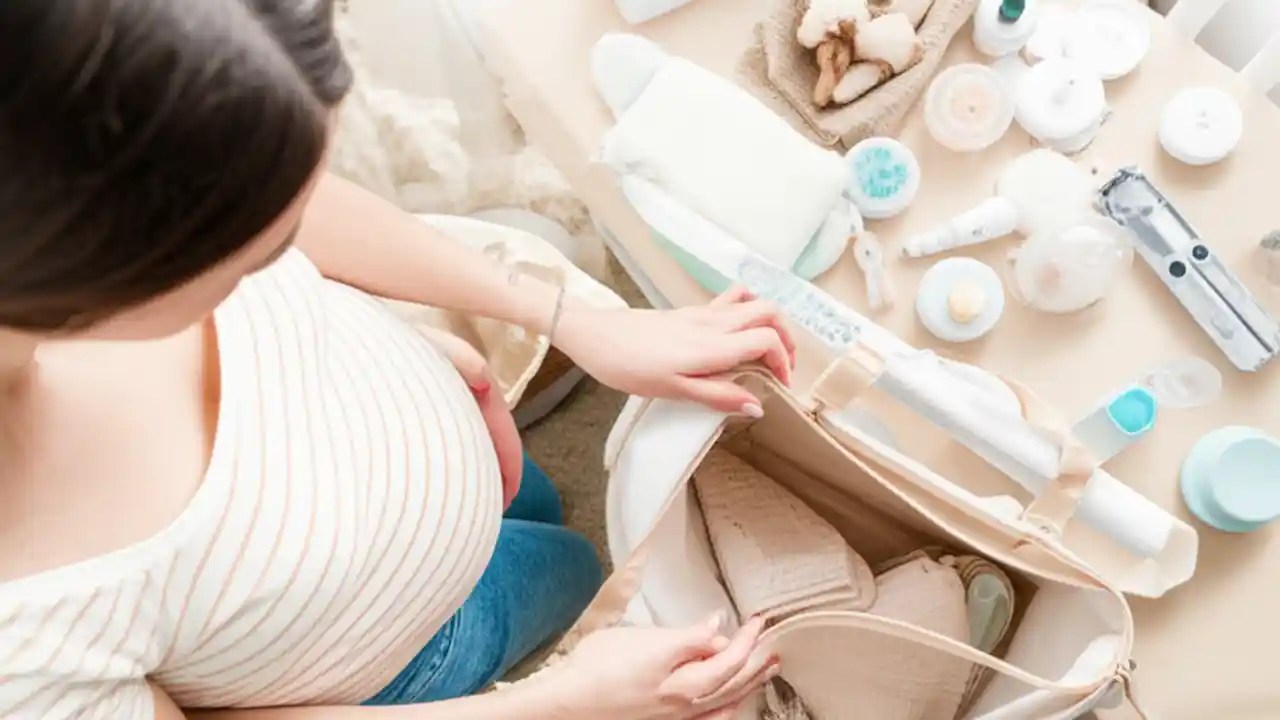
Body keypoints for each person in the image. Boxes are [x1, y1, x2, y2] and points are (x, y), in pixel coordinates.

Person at [0, 2, 797, 719]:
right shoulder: (28, 638)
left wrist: (564, 318)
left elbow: (286, 200)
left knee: (548, 514)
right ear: (110, 276)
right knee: (579, 567)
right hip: (413, 646)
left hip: (449, 435)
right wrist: (567, 702)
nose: (285, 256)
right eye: (260, 260)